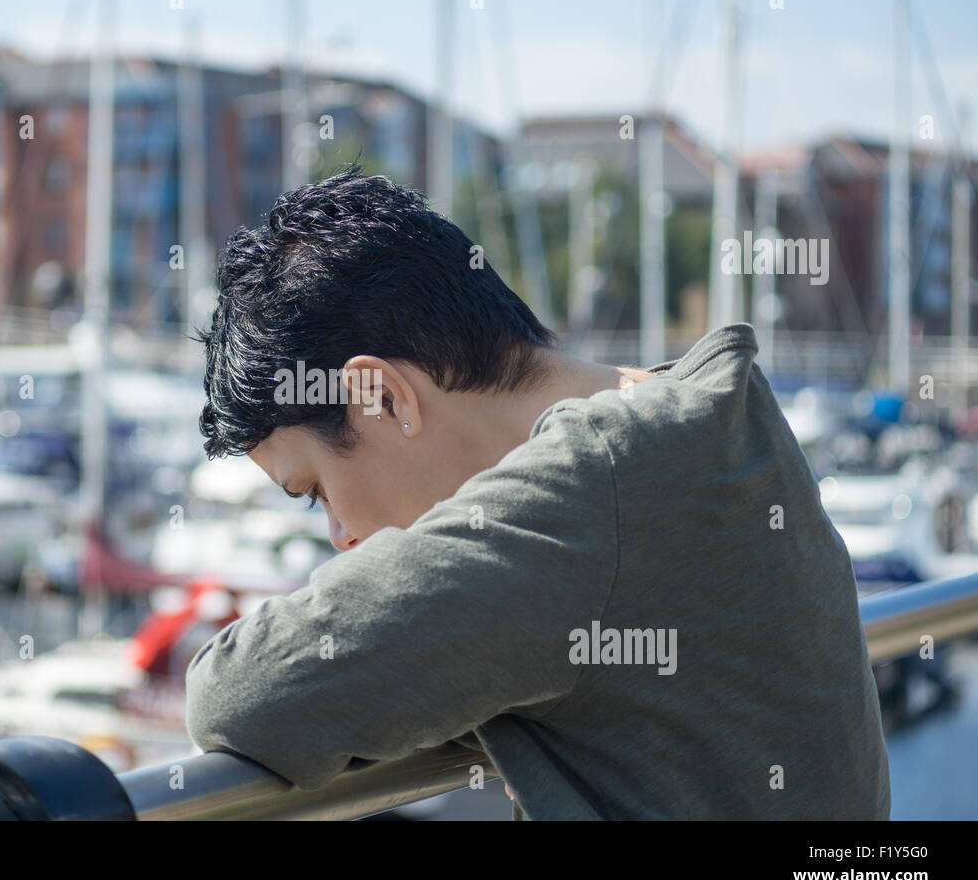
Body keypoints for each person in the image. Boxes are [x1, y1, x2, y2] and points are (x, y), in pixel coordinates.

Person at [184, 166, 891, 820]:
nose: (338, 533)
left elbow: (238, 694)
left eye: (316, 490)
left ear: (383, 397)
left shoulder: (588, 492)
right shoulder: (708, 409)